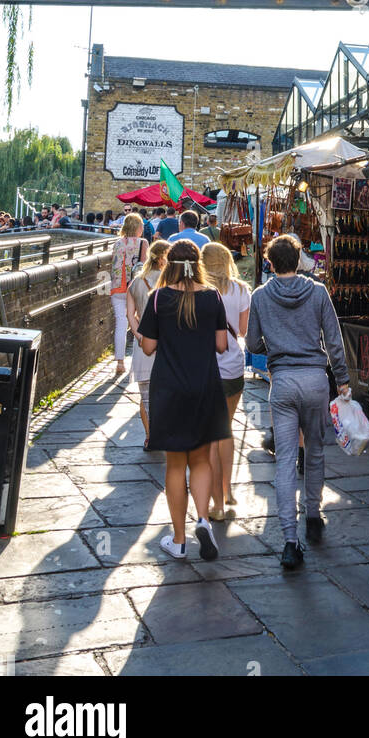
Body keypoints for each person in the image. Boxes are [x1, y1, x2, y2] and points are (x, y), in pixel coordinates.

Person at [245, 233, 349, 570]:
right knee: (316, 451)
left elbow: (252, 343)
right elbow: (333, 339)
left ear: (270, 262)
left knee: (286, 460)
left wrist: (275, 347)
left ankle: (290, 541)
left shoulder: (261, 295)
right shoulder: (317, 292)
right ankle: (314, 515)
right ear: (299, 259)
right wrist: (344, 380)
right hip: (316, 380)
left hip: (284, 382)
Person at [137, 240, 230, 561]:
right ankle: (202, 519)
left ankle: (178, 540)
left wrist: (143, 331)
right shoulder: (212, 296)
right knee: (201, 460)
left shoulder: (159, 297)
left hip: (170, 390)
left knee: (175, 465)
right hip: (205, 386)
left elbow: (148, 347)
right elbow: (221, 345)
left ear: (170, 264)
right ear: (197, 263)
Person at [202, 241, 251, 519]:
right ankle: (228, 489)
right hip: (233, 368)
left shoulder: (200, 292)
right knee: (227, 430)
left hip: (207, 369)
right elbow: (242, 330)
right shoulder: (242, 290)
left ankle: (216, 504)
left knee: (211, 435)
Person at [126, 239, 171, 448]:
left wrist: (139, 336)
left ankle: (149, 436)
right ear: (164, 258)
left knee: (146, 396)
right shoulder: (170, 282)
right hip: (166, 344)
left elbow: (130, 315)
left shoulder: (136, 282)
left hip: (143, 343)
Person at [109, 213, 148, 379]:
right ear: (138, 228)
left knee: (120, 324)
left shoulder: (117, 243)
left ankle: (119, 362)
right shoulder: (142, 243)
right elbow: (145, 266)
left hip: (118, 288)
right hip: (135, 288)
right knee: (140, 322)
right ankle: (138, 362)